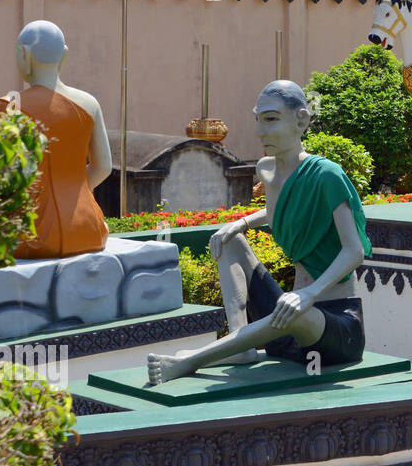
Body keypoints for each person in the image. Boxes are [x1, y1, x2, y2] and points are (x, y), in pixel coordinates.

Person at [146, 80, 371, 384]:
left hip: (333, 329)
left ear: (301, 120)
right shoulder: (269, 171)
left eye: (271, 119)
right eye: (258, 120)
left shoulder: (326, 175)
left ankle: (194, 360)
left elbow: (354, 251)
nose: (261, 131)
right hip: (287, 327)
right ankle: (242, 348)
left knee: (294, 312)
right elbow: (282, 212)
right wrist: (241, 224)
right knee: (229, 242)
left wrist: (308, 293)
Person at [0, 21, 111, 259]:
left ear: (23, 55)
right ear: (65, 55)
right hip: (88, 228)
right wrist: (77, 193)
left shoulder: (11, 106)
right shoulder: (89, 103)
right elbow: (104, 167)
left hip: (30, 235)